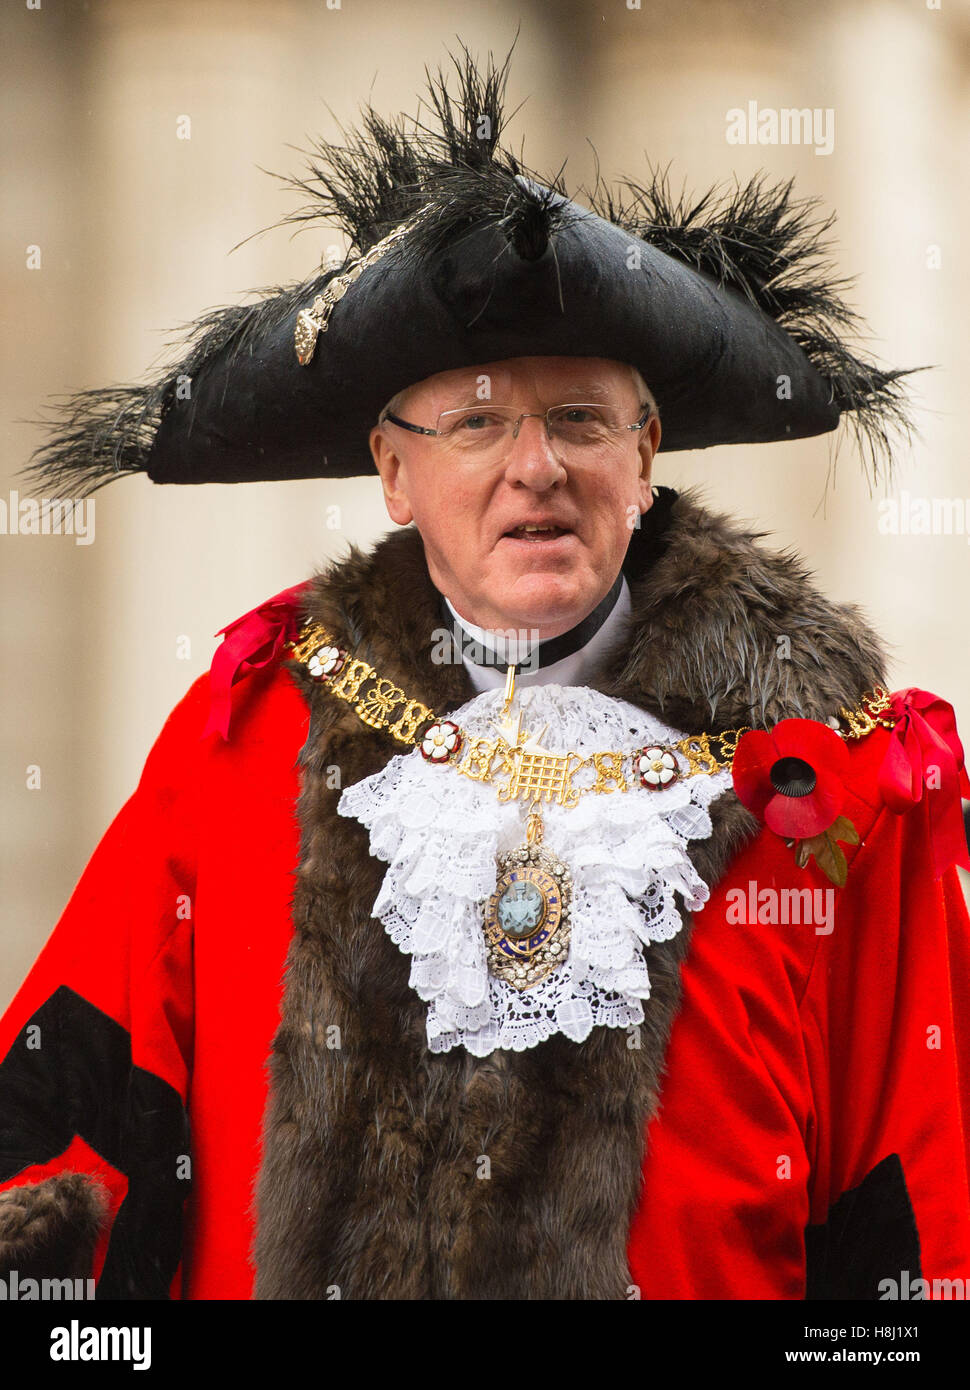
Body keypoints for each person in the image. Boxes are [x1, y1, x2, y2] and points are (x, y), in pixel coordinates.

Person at [1, 45, 968, 1302]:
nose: (535, 467)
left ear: (645, 453)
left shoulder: (830, 791)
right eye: (473, 422)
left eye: (579, 418)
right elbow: (65, 1162)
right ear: (393, 473)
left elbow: (919, 1223)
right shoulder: (242, 740)